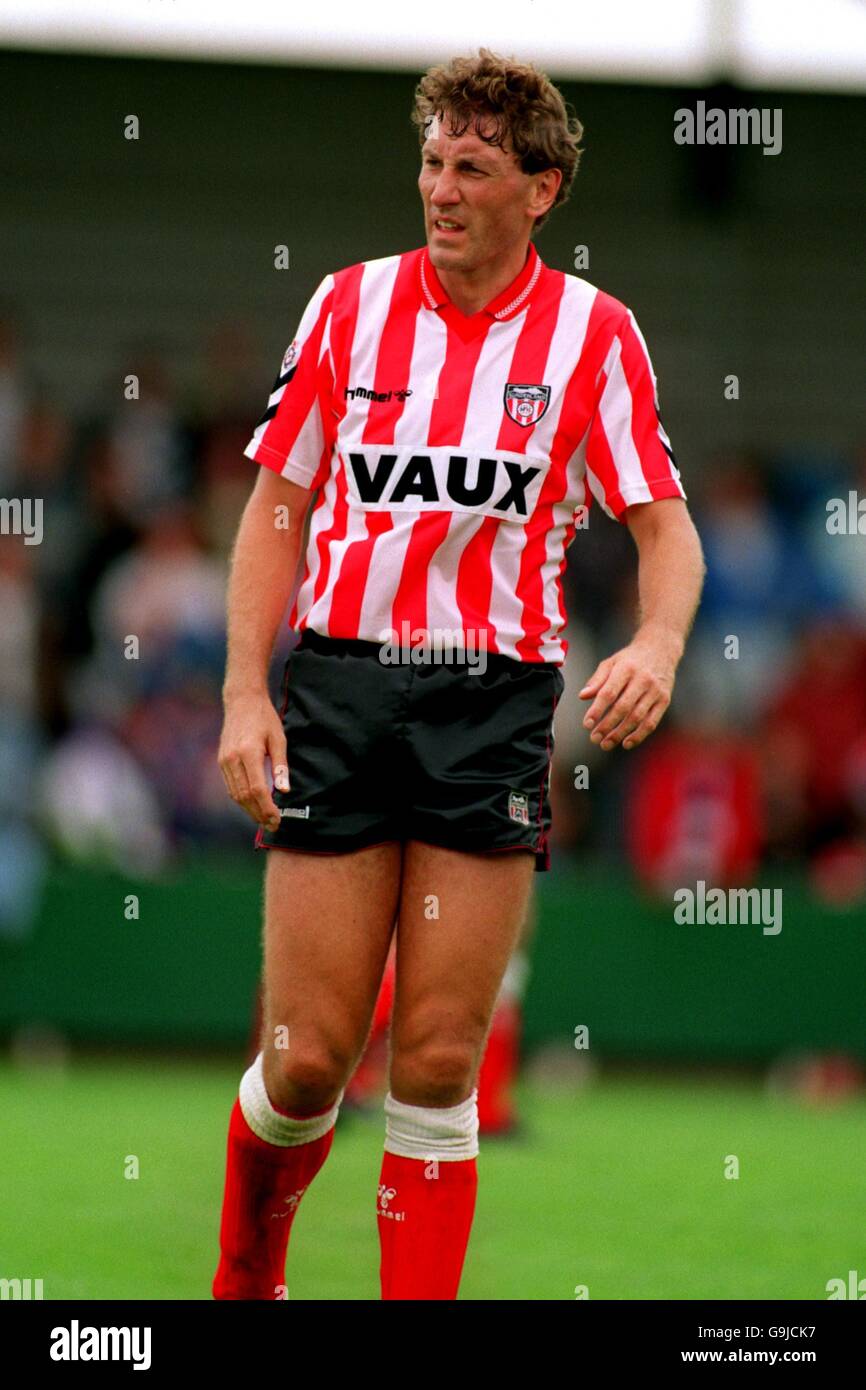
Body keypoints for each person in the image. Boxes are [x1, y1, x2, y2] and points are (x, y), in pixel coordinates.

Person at [213, 47, 705, 1301]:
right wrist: (242, 692)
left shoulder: (595, 336)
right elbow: (277, 508)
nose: (440, 187)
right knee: (309, 1058)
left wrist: (652, 643)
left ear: (538, 190)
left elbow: (663, 525)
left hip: (489, 707)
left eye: (471, 167)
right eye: (430, 161)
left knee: (434, 1060)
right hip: (339, 690)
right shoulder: (345, 305)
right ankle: (244, 1277)